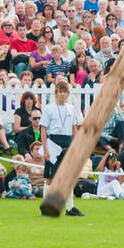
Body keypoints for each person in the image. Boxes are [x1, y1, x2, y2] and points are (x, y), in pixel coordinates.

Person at [40, 79, 83, 217]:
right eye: (60, 92)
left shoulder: (71, 109)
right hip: (53, 142)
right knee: (50, 177)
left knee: (68, 176)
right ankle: (46, 207)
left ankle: (70, 207)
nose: (63, 94)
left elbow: (74, 128)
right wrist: (45, 149)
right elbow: (43, 130)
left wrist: (76, 146)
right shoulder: (48, 109)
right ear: (56, 93)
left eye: (65, 92)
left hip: (67, 142)